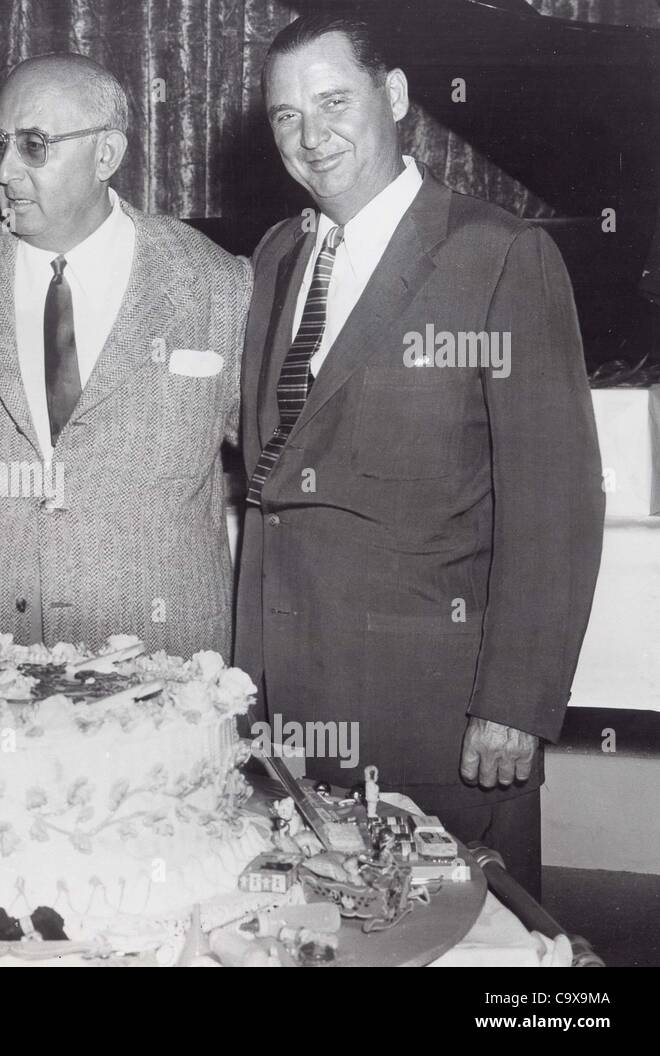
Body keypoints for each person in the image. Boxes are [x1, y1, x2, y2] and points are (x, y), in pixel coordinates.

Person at [234, 13, 605, 898]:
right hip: (285, 714)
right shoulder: (278, 254)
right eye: (286, 115)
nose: (310, 136)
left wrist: (514, 704)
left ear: (394, 97)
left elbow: (554, 502)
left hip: (434, 717)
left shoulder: (501, 255)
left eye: (333, 101)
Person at [0, 52, 252, 657]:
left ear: (106, 155)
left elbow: (288, 477)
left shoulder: (218, 285)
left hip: (163, 674)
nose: (6, 170)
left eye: (35, 145)